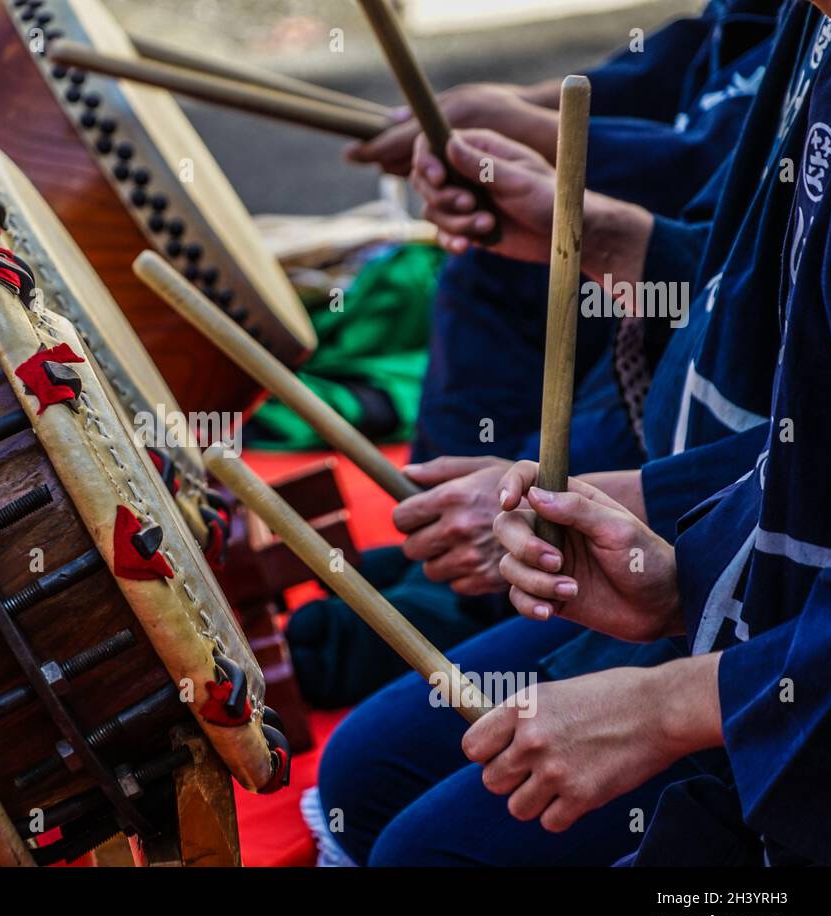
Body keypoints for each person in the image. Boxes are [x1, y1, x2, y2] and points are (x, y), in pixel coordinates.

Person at [317, 0, 831, 865]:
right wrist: (677, 581)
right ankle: (440, 583)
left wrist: (667, 706)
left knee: (426, 850)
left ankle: (447, 598)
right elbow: (801, 420)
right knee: (367, 781)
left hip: (796, 714)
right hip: (757, 605)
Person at [285, 0, 780, 707]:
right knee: (494, 258)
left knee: (363, 781)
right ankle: (452, 549)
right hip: (708, 294)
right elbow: (689, 68)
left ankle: (500, 566)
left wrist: (561, 153)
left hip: (752, 446)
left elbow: (716, 165)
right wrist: (521, 111)